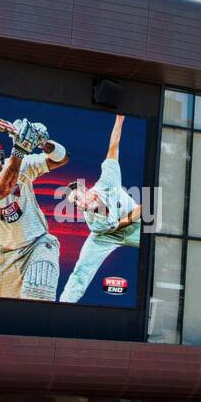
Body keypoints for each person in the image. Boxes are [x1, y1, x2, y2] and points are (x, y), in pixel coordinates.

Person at [0, 118, 70, 300]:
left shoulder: (22, 165)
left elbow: (63, 158)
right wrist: (20, 149)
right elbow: (2, 190)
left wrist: (43, 142)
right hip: (5, 255)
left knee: (35, 300)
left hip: (38, 245)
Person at [58, 114, 142, 303]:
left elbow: (113, 148)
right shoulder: (93, 224)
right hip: (105, 236)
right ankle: (64, 306)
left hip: (138, 226)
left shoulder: (108, 181)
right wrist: (135, 213)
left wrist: (119, 120)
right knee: (81, 270)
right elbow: (119, 225)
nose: (80, 204)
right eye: (75, 204)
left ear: (85, 189)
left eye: (78, 197)